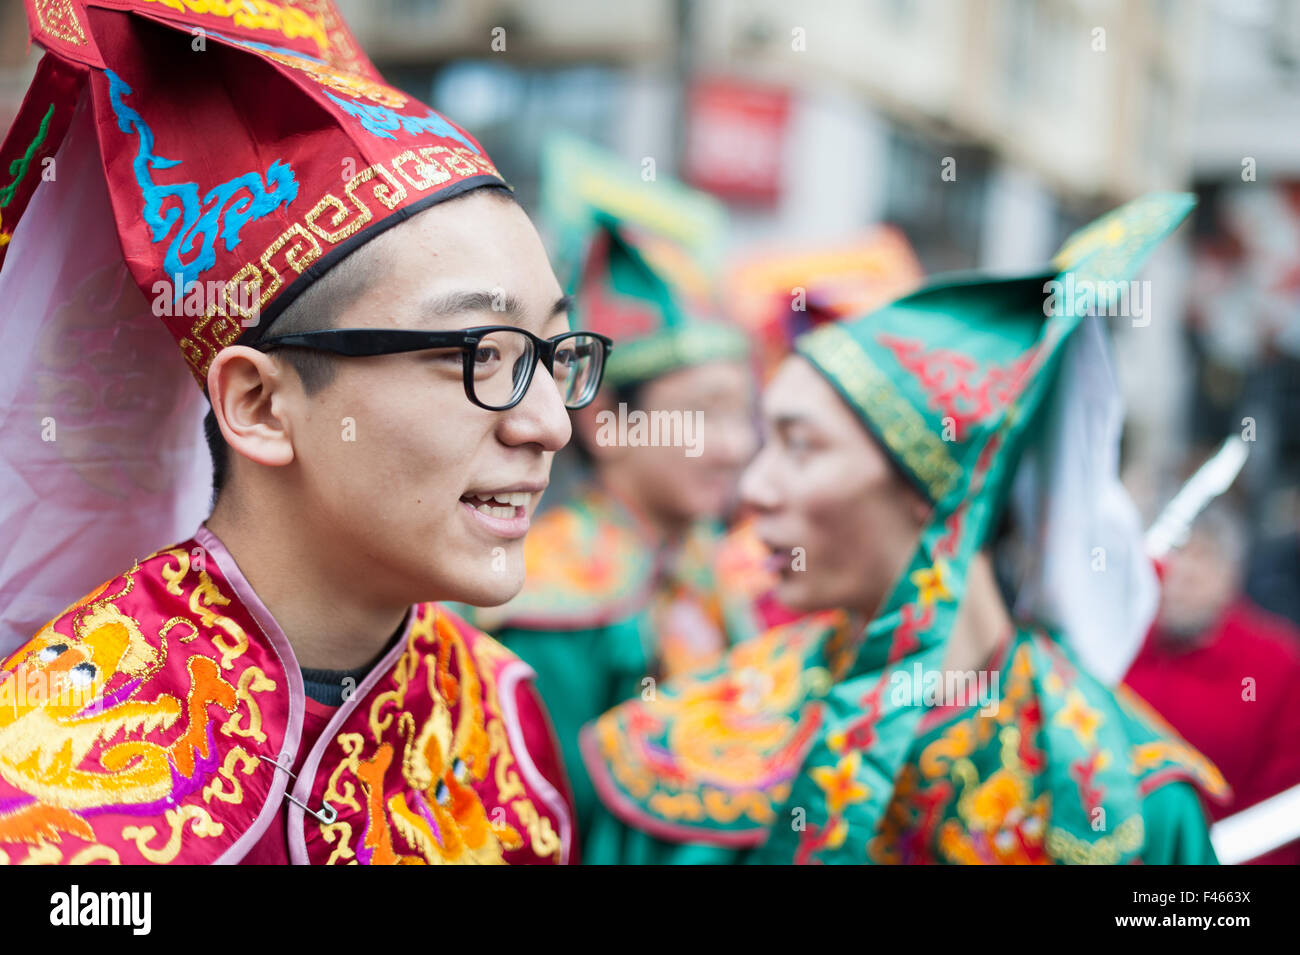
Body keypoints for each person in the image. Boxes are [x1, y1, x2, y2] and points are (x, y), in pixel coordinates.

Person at [0, 0, 606, 864]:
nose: (549, 422)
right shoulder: (48, 796)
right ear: (257, 403)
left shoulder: (504, 725)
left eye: (555, 351)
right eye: (480, 352)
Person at [580, 193, 1230, 864]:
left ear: (937, 484)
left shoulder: (1128, 803)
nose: (753, 487)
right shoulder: (689, 748)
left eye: (800, 445)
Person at [466, 216, 763, 857]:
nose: (739, 446)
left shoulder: (716, 569)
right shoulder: (550, 599)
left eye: (745, 413)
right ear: (608, 422)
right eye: (706, 413)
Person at [1126, 499, 1300, 864]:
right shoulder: (1119, 646)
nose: (1182, 574)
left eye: (1203, 558)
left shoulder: (1277, 664)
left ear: (1230, 575)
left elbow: (1283, 806)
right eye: (1175, 555)